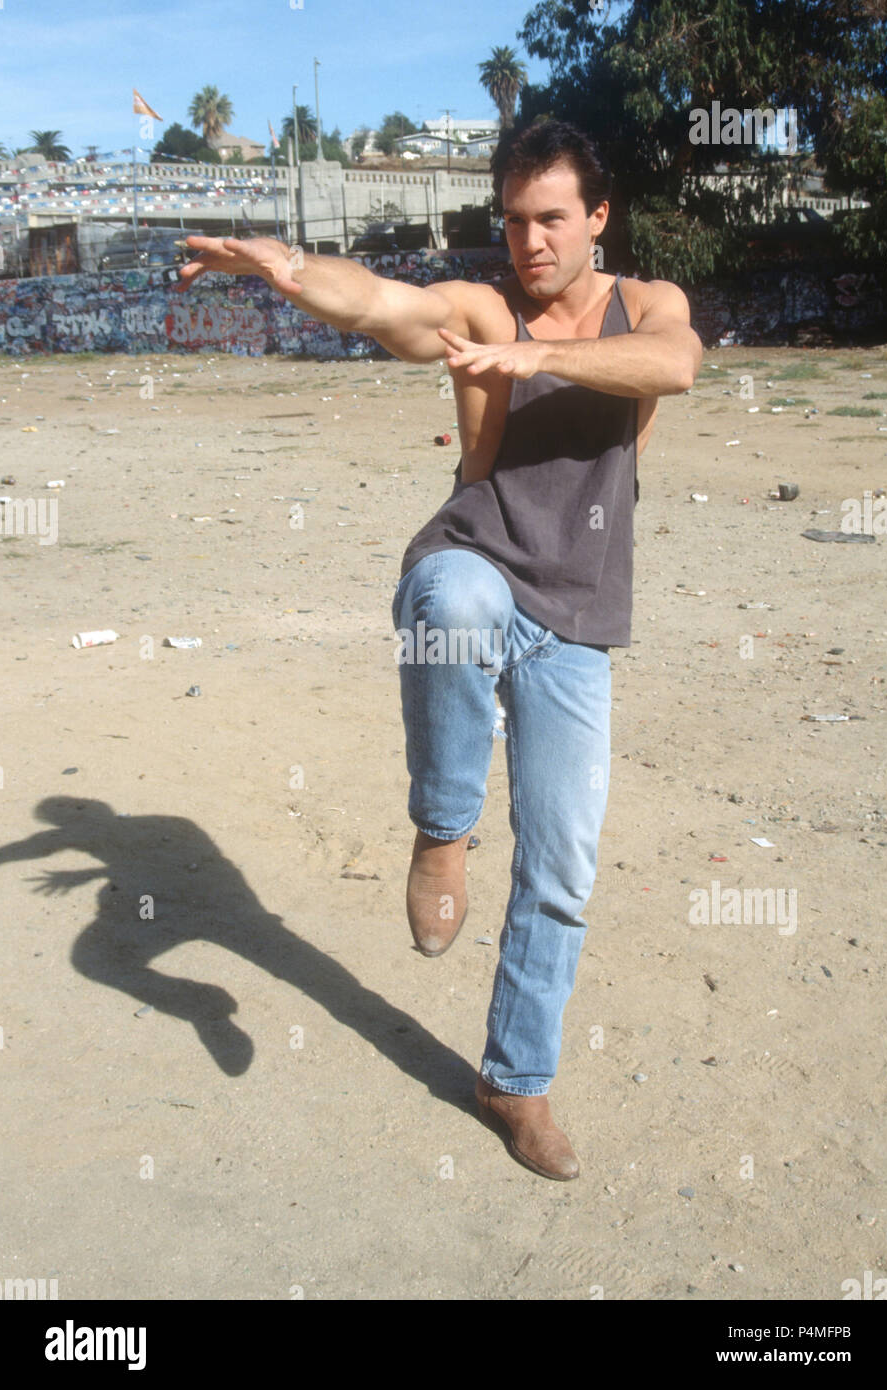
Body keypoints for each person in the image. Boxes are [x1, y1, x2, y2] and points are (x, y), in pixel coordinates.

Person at [179, 118, 702, 1181]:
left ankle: (515, 1078)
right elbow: (380, 301)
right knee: (451, 601)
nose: (529, 241)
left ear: (598, 218)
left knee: (562, 866)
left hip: (579, 613)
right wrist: (284, 264)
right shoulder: (482, 306)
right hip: (475, 567)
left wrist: (539, 354)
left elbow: (676, 364)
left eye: (551, 218)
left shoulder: (644, 305)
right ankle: (444, 828)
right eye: (512, 220)